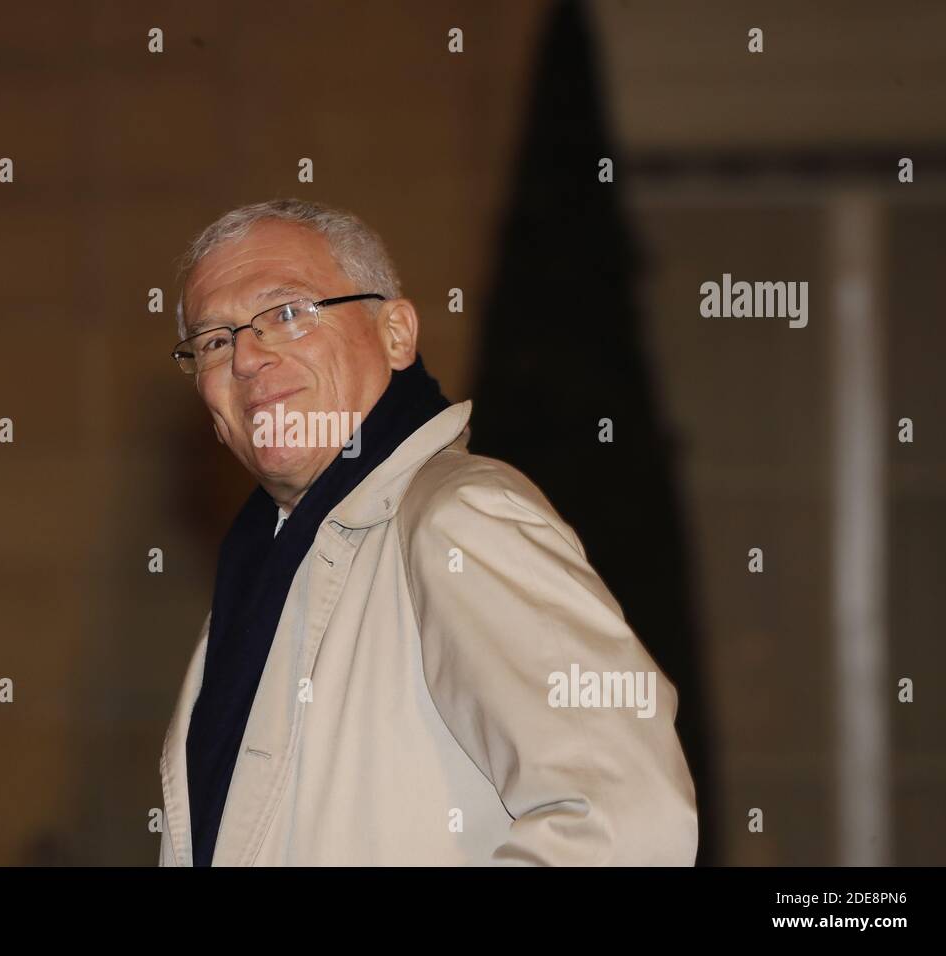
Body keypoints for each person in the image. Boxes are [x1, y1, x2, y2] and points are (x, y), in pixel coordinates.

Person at [157, 197, 697, 865]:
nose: (246, 358)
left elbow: (625, 820)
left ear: (396, 334)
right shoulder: (266, 571)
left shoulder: (459, 518)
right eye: (215, 339)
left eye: (288, 314)